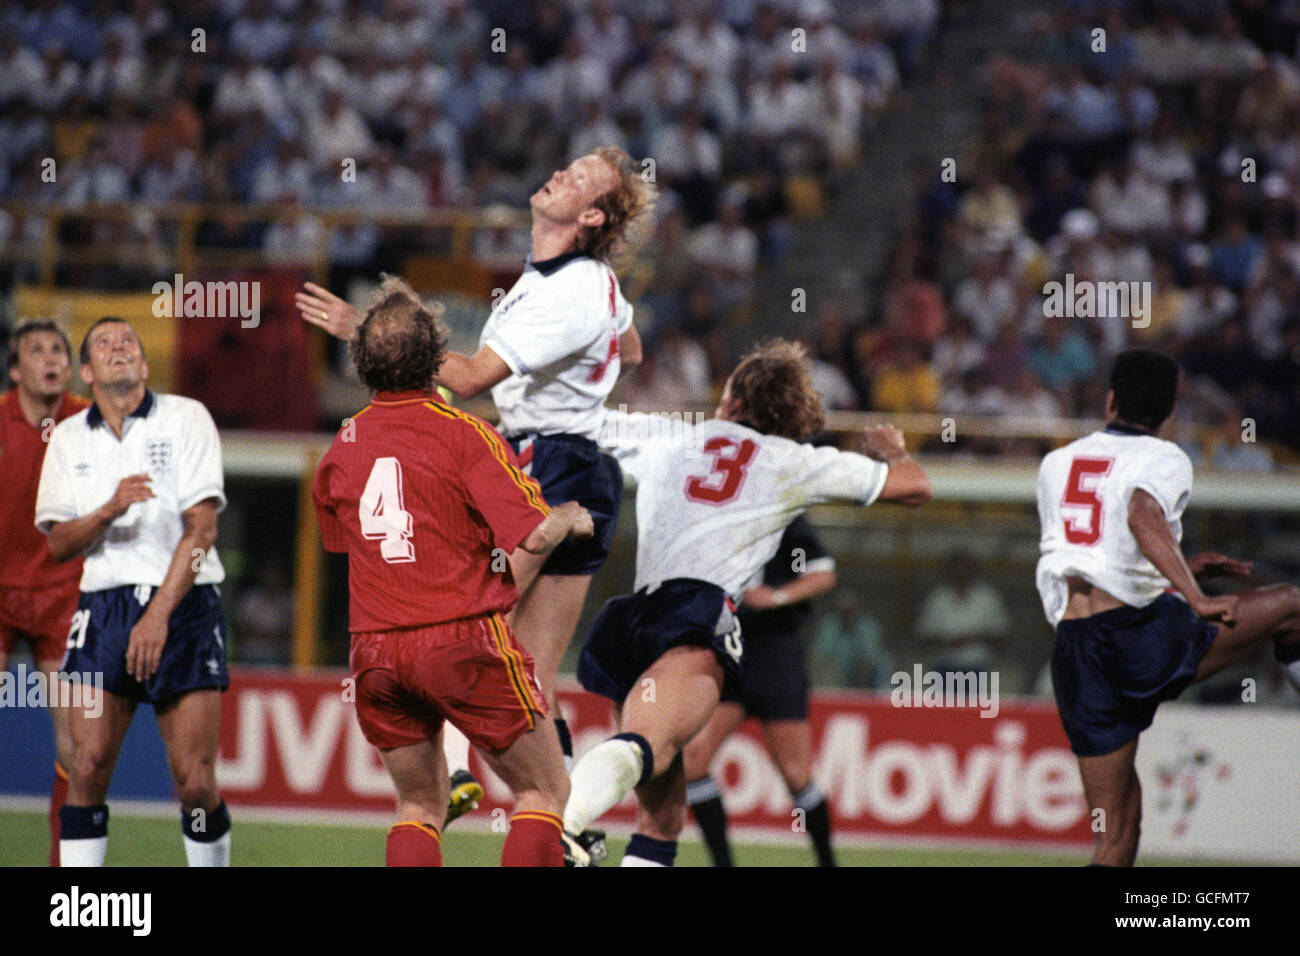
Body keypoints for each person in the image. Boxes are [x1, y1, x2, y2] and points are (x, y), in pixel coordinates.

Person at [297, 145, 654, 811]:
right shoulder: (581, 281)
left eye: (578, 178)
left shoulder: (567, 290)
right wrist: (590, 385)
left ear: (592, 216)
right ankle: (569, 825)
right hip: (582, 462)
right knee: (532, 671)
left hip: (546, 462)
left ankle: (456, 774)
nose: (558, 172)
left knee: (466, 615)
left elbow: (466, 378)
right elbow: (630, 347)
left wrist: (361, 330)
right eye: (566, 164)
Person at [562, 340, 932, 866]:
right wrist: (893, 449)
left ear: (735, 400)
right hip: (695, 616)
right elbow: (916, 487)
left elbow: (573, 425)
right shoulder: (792, 461)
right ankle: (565, 824)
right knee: (650, 744)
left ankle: (569, 824)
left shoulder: (670, 436)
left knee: (662, 815)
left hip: (634, 617)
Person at [312, 278, 594, 867]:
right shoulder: (465, 434)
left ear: (362, 364)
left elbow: (345, 546)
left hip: (376, 650)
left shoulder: (341, 446)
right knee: (544, 790)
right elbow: (533, 532)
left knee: (418, 804)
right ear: (439, 359)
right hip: (462, 639)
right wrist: (570, 518)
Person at [1036, 348, 1300, 866]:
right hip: (1136, 638)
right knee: (1291, 603)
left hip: (1077, 653)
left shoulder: (1056, 462)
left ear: (1110, 399)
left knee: (1115, 836)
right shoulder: (1166, 457)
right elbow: (1141, 512)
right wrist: (1194, 595)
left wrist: (1173, 572)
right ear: (1170, 412)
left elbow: (1093, 555)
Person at [35, 316, 232, 867]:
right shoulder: (68, 437)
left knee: (194, 782)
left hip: (185, 607)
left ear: (144, 365)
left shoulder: (187, 417)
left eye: (129, 342)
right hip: (103, 608)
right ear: (87, 372)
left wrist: (158, 616)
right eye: (104, 343)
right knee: (88, 766)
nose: (118, 347)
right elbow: (58, 545)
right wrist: (108, 509)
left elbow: (203, 532)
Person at [683, 515, 839, 867]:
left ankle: (828, 862)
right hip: (730, 650)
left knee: (796, 774)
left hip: (775, 654)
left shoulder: (788, 524)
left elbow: (821, 574)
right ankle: (723, 863)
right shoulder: (722, 522)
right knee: (692, 760)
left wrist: (779, 595)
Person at [0, 320, 89, 866]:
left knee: (79, 752)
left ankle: (68, 884)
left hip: (62, 594)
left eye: (59, 349)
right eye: (36, 350)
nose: (51, 357)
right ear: (15, 371)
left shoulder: (89, 421)